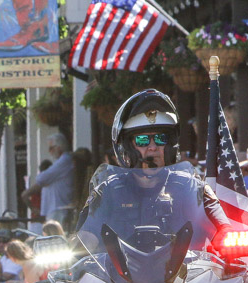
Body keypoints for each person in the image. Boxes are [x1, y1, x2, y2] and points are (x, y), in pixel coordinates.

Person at [77, 90, 229, 251]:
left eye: (160, 139)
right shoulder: (107, 191)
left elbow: (223, 228)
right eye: (142, 140)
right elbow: (86, 237)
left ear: (170, 146)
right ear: (128, 148)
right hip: (118, 275)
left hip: (188, 275)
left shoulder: (192, 187)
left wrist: (226, 236)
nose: (153, 147)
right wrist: (77, 249)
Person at [21, 132, 75, 224]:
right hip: (54, 210)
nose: (49, 152)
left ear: (58, 147)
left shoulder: (65, 160)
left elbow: (42, 178)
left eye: (51, 148)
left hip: (59, 210)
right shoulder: (60, 161)